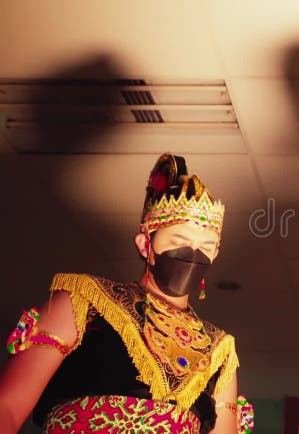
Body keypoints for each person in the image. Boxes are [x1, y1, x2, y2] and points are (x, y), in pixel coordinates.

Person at [0, 153, 252, 433]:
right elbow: (7, 408)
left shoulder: (217, 349)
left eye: (206, 245)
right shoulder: (82, 302)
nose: (193, 254)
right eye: (180, 242)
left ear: (216, 253)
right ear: (146, 245)